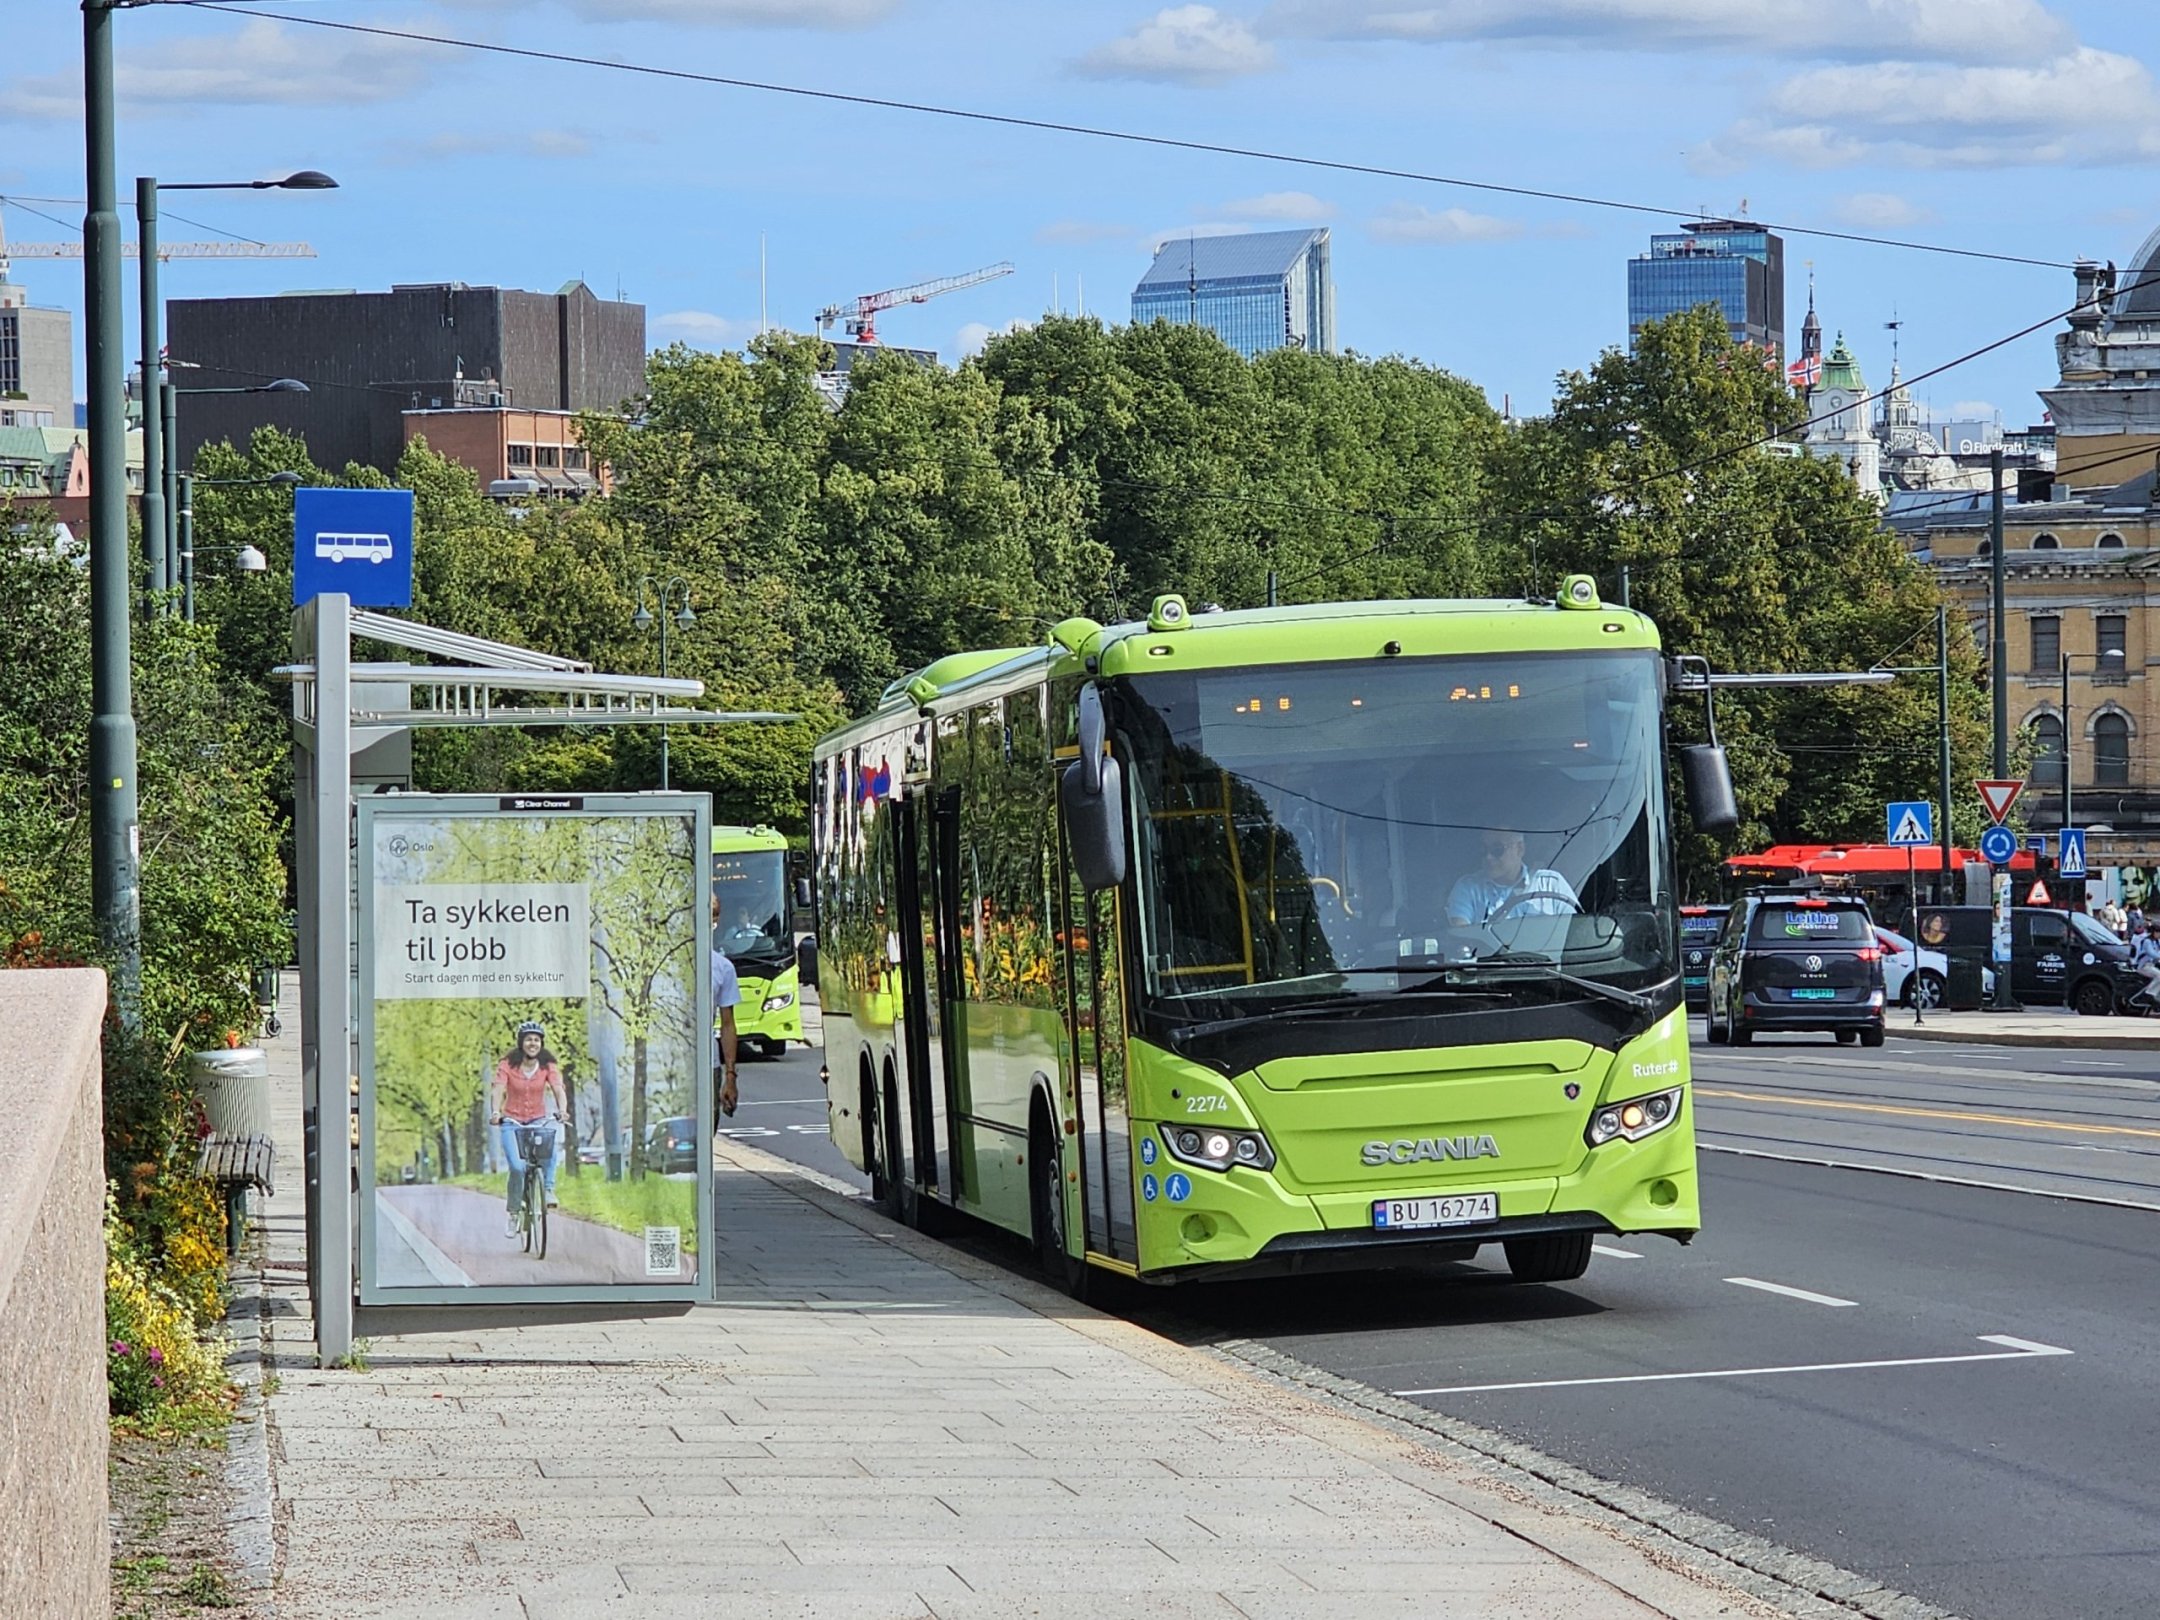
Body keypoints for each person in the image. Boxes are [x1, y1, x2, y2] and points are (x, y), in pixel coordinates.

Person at [490, 1021, 568, 1239]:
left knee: (549, 1151)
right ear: (521, 1043)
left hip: (537, 1119)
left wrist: (563, 1110)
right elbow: (498, 1089)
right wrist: (496, 1112)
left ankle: (549, 1189)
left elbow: (558, 1089)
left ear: (541, 1043)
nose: (532, 1043)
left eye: (536, 1039)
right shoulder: (508, 1064)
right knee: (517, 1167)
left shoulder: (547, 1065)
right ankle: (514, 1213)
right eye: (528, 1039)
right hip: (511, 1122)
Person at [1446, 828, 1580, 929]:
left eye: (1497, 849)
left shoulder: (1552, 884)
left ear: (1520, 849)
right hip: (1488, 965)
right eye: (1484, 850)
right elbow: (1460, 936)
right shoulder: (1468, 888)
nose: (1488, 857)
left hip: (1549, 965)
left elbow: (1576, 932)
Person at [712, 894, 741, 1117]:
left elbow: (728, 1024)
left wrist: (730, 1076)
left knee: (708, 1130)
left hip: (709, 1062)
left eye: (714, 916)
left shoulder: (723, 968)